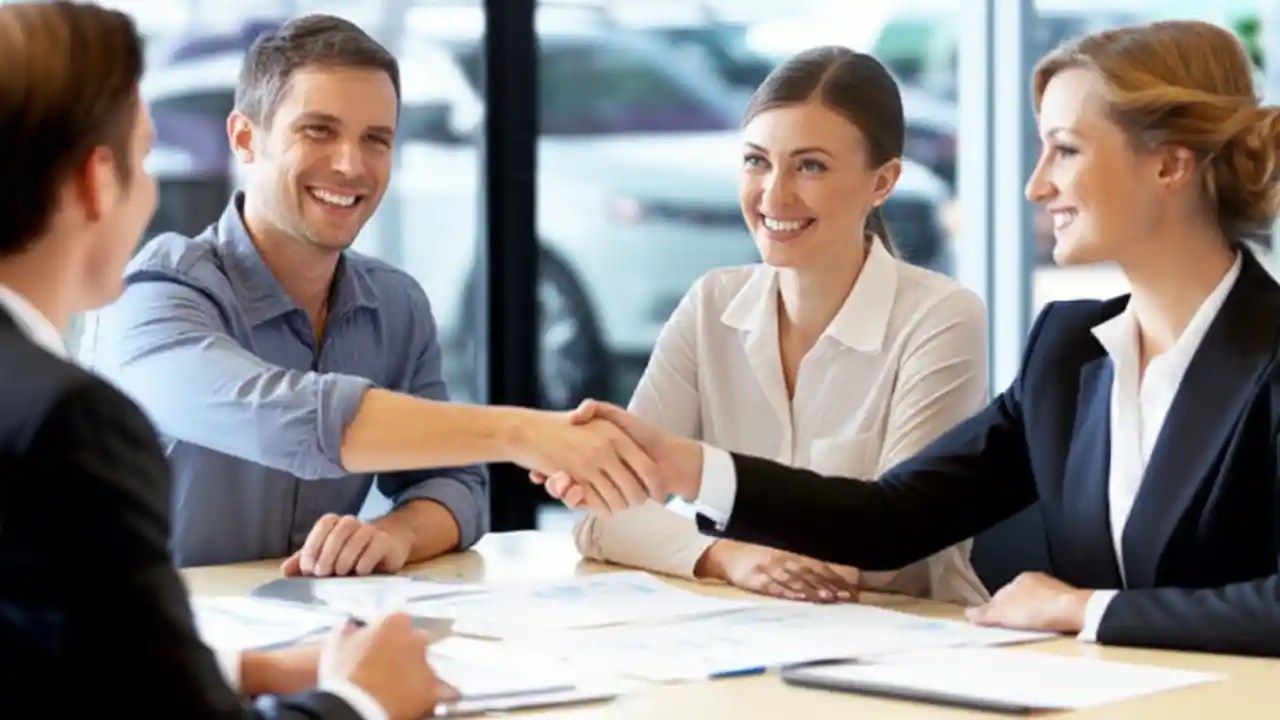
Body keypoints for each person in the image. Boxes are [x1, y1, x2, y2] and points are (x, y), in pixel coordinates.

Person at [544, 20, 1280, 657]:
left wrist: (1085, 609)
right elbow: (890, 519)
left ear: (1170, 164)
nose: (1035, 185)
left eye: (1066, 150)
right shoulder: (1072, 351)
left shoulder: (1266, 351)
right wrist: (684, 466)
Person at [79, 14, 661, 573]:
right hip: (141, 648)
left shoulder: (396, 305)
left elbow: (455, 484)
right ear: (245, 138)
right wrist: (525, 433)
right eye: (319, 130)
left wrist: (395, 533)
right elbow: (282, 416)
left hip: (306, 635)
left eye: (376, 139)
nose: (350, 165)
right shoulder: (153, 294)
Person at [0, 3, 445, 717]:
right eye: (143, 160)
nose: (153, 195)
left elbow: (85, 654)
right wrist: (358, 701)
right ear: (95, 182)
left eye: (377, 139)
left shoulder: (397, 302)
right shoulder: (64, 417)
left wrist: (258, 669)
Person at [567, 47, 989, 606]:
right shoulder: (711, 304)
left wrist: (702, 523)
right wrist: (730, 557)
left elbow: (897, 552)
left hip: (910, 635)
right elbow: (603, 510)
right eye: (756, 161)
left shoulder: (940, 320)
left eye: (810, 165)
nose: (774, 194)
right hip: (743, 627)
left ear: (882, 182)